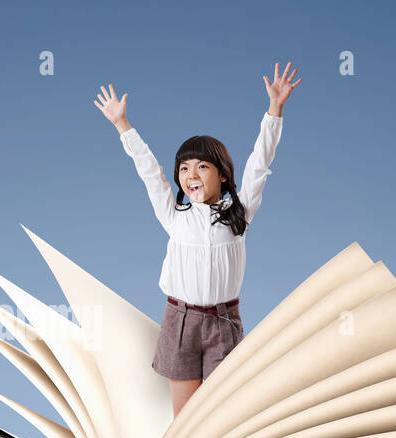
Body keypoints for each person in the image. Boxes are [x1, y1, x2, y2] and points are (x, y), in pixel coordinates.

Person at [94, 62, 301, 418]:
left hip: (224, 322)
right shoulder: (175, 216)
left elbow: (260, 163)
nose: (191, 174)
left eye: (202, 166)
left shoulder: (239, 213)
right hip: (181, 322)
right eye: (184, 168)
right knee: (186, 420)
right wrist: (121, 124)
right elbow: (148, 171)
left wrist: (275, 110)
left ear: (222, 175)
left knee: (222, 416)